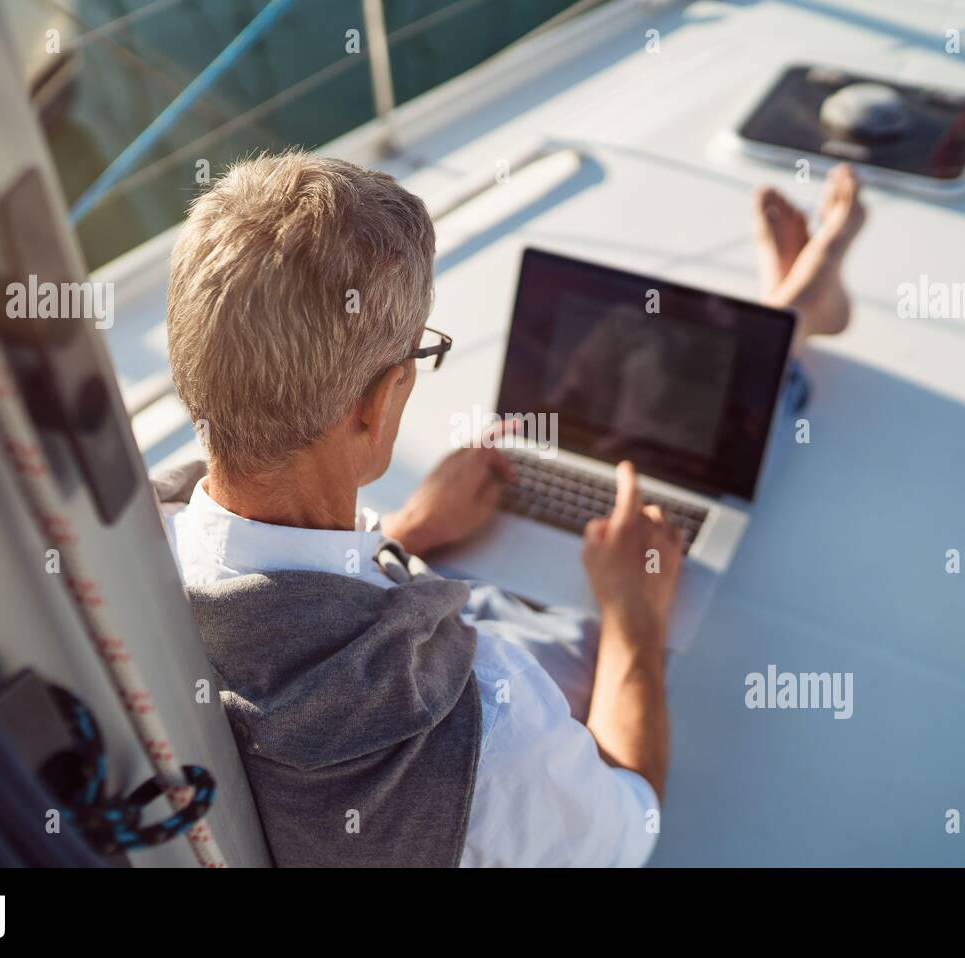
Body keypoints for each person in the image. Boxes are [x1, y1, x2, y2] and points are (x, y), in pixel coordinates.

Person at [157, 150, 864, 867]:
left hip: (406, 603)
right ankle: (799, 310)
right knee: (689, 446)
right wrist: (634, 621)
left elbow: (278, 637)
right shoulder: (490, 722)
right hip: (515, 663)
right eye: (418, 359)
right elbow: (628, 822)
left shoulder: (145, 546)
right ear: (377, 408)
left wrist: (407, 534)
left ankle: (798, 306)